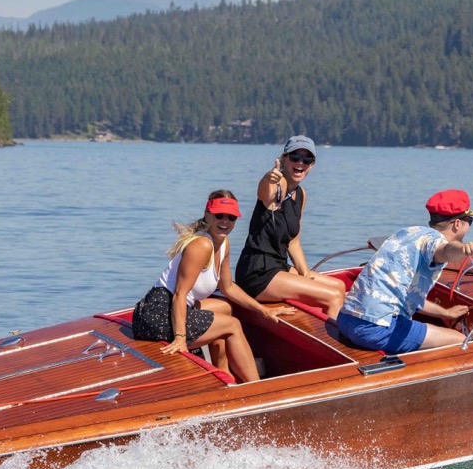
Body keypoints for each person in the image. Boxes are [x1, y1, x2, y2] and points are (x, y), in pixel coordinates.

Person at [132, 190, 293, 383]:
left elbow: (228, 288)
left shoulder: (223, 244)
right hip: (155, 314)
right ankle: (255, 388)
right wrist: (180, 338)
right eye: (219, 216)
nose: (225, 221)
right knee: (232, 325)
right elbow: (179, 294)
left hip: (169, 307)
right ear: (208, 214)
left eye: (231, 217)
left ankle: (223, 373)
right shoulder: (202, 245)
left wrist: (263, 310)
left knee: (225, 308)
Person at [336, 189, 473, 354]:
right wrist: (464, 249)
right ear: (457, 223)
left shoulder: (407, 233)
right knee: (462, 341)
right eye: (469, 220)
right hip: (375, 329)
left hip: (346, 320)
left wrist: (446, 313)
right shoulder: (434, 242)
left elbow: (409, 295)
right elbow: (445, 250)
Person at [234, 135, 347, 319]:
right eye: (295, 157)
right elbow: (264, 194)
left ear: (312, 164)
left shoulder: (301, 194)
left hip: (279, 265)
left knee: (339, 287)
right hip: (257, 270)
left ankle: (332, 329)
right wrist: (267, 178)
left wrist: (305, 274)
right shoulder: (277, 183)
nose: (300, 163)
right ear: (284, 158)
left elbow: (293, 242)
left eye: (307, 159)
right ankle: (332, 344)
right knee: (332, 296)